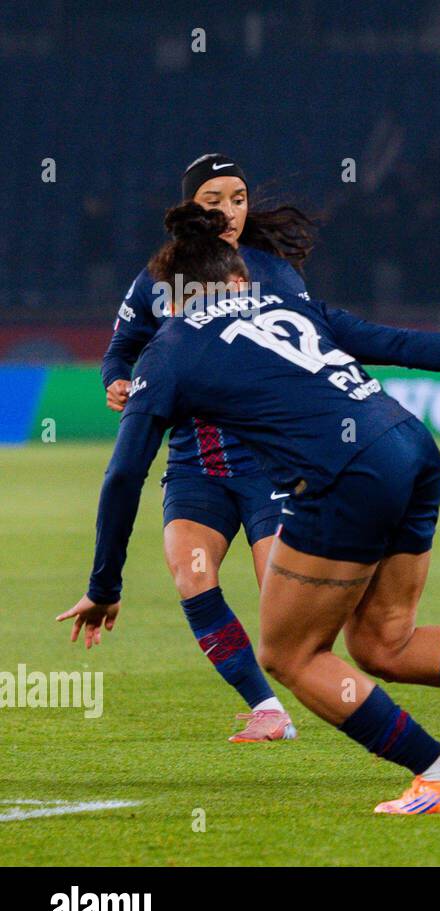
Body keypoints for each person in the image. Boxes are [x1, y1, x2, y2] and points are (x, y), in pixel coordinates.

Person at [60, 203, 440, 812]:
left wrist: (103, 585)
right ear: (238, 277)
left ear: (173, 297)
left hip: (345, 478)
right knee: (384, 642)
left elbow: (125, 473)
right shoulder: (289, 306)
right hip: (410, 448)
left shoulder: (169, 350)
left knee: (289, 653)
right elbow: (397, 343)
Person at [101, 153, 317, 742]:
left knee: (283, 606)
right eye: (213, 200)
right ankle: (267, 709)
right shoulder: (157, 279)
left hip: (266, 462)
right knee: (192, 578)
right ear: (189, 208)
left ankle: (360, 698)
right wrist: (116, 380)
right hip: (195, 463)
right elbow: (121, 348)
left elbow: (309, 352)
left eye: (238, 199)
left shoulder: (275, 275)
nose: (229, 212)